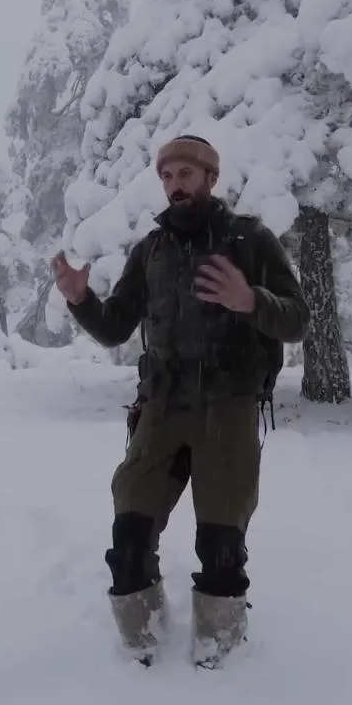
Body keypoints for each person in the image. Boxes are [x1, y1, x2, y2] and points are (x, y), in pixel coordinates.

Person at [52, 134, 311, 668]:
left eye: (186, 174)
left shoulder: (250, 241)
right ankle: (141, 647)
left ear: (211, 179)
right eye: (167, 176)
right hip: (162, 409)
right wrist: (81, 299)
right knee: (129, 535)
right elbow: (115, 326)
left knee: (221, 546)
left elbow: (298, 320)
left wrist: (250, 300)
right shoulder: (151, 251)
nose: (175, 185)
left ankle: (219, 653)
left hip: (228, 408)